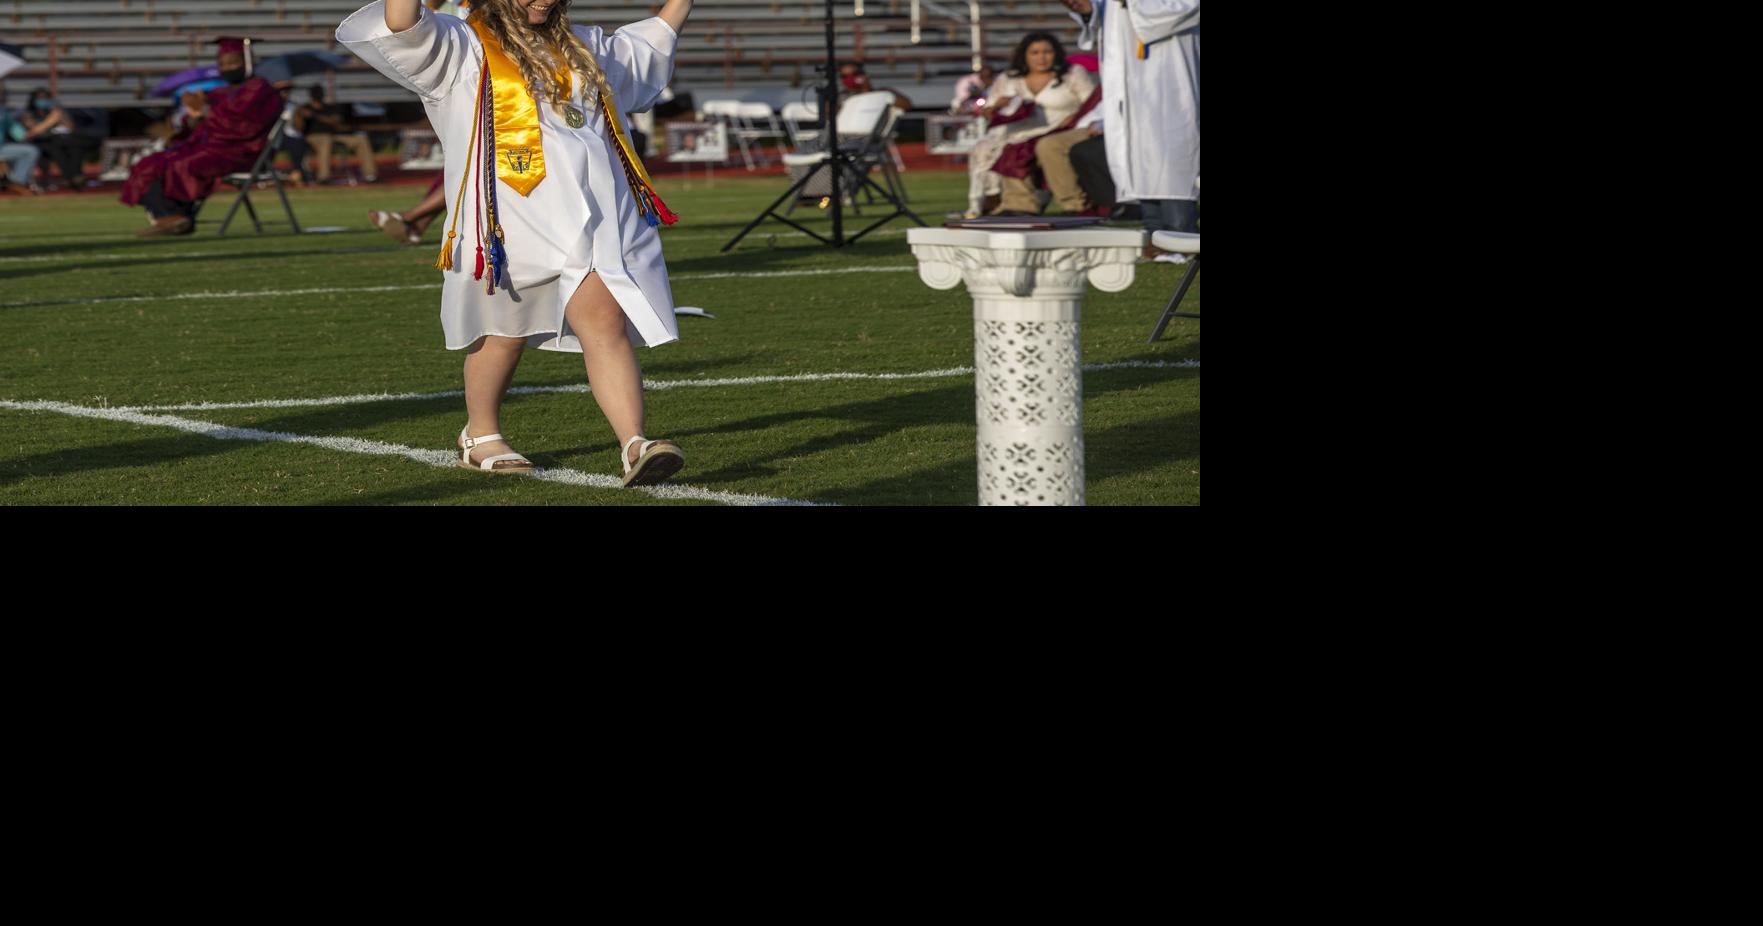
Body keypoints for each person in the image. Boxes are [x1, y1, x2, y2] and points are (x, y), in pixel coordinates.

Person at [337, 0, 692, 485]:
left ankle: (635, 444)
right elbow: (402, 23)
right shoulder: (460, 44)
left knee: (605, 322)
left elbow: (646, 49)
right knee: (503, 334)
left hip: (589, 218)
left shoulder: (584, 45)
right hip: (509, 219)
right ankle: (480, 434)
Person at [1066, 0, 1199, 257]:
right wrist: (1089, 11)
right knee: (1141, 160)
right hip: (1131, 84)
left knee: (1172, 162)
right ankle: (1154, 233)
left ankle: (1182, 234)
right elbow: (1110, 17)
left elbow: (1188, 7)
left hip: (1171, 79)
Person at [119, 37, 283, 235]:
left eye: (233, 63)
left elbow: (243, 127)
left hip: (242, 153)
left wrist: (206, 110)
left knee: (182, 165)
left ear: (248, 61)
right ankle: (169, 216)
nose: (227, 68)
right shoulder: (218, 92)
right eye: (222, 63)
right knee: (150, 163)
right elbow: (199, 126)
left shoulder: (260, 90)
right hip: (208, 147)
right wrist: (193, 116)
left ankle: (176, 215)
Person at [965, 31, 1095, 217]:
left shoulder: (1072, 73)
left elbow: (1091, 104)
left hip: (1063, 128)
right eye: (1034, 53)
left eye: (1046, 52)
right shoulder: (1008, 78)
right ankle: (1010, 203)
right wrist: (999, 106)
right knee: (991, 147)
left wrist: (1075, 119)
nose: (1041, 58)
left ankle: (1073, 204)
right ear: (1024, 55)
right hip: (1018, 130)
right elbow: (989, 113)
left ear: (1056, 53)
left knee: (1038, 146)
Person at [0, 84, 43, 194]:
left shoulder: (3, 111)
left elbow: (18, 133)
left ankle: (15, 182)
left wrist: (35, 129)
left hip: (2, 148)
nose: (3, 95)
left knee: (31, 151)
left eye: (3, 92)